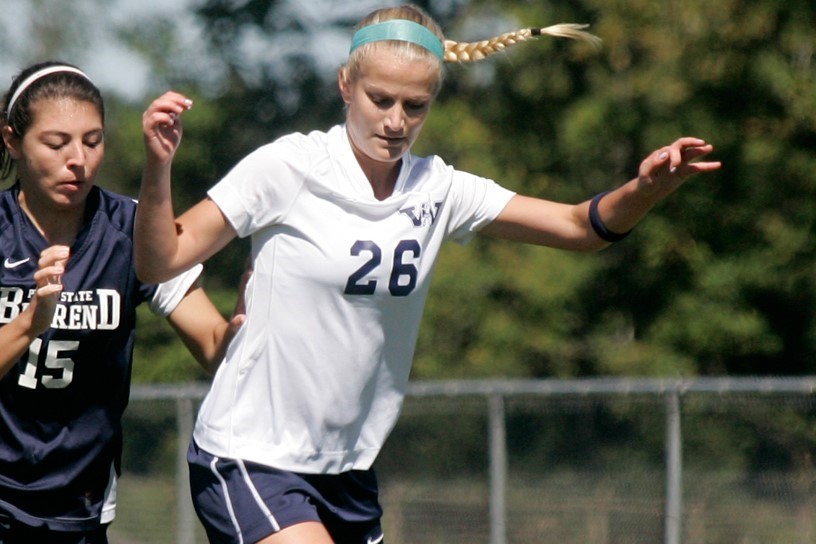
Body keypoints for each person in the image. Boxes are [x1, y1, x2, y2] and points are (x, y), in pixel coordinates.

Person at [135, 5, 722, 544]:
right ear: (346, 85)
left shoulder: (438, 188)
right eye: (380, 99)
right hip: (250, 454)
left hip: (347, 469)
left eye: (414, 106)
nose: (396, 120)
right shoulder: (288, 166)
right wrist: (158, 168)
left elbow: (578, 227)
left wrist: (649, 188)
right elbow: (162, 260)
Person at [0, 61, 244, 544]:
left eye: (92, 140)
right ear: (13, 142)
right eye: (56, 143)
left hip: (74, 508)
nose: (78, 159)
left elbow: (215, 347)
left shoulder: (131, 231)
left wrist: (255, 315)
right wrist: (29, 324)